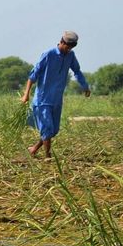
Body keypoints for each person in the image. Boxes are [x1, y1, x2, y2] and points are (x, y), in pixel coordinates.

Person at [20, 31, 90, 159]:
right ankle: (48, 156)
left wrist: (85, 86)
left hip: (57, 100)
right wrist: (26, 94)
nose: (68, 49)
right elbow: (33, 75)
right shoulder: (48, 54)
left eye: (71, 48)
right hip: (42, 100)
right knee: (47, 129)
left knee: (53, 130)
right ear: (62, 42)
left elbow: (77, 71)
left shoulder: (70, 56)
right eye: (67, 46)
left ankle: (34, 148)